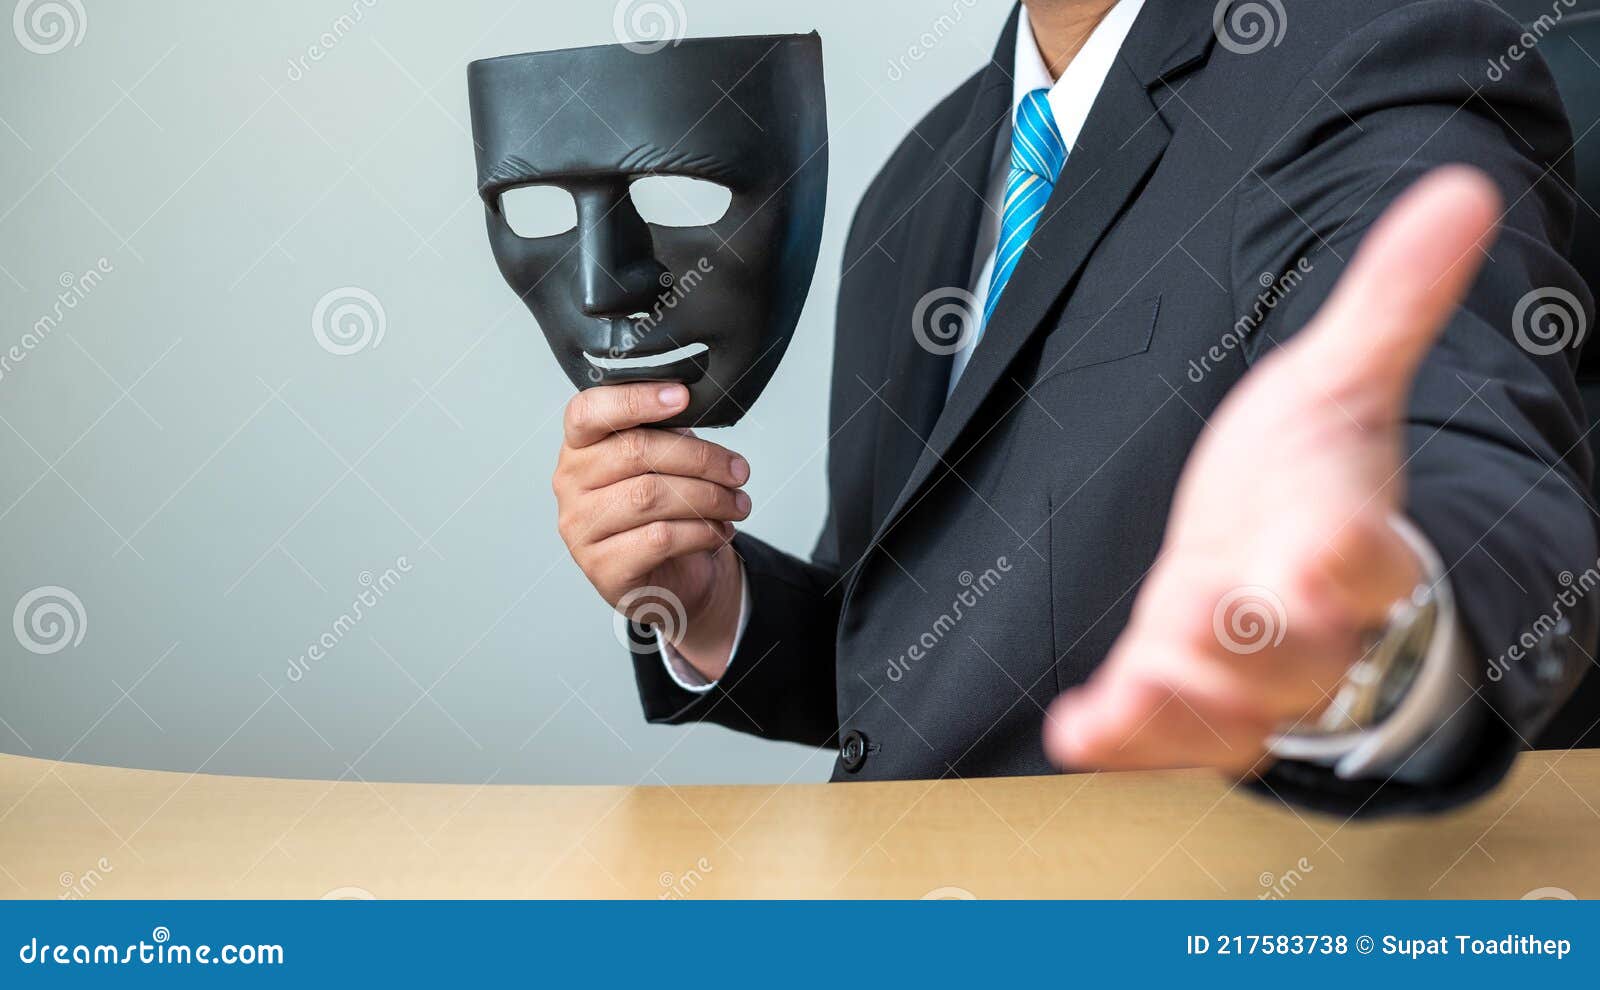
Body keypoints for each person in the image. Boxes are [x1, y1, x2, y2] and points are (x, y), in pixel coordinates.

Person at [551, 0, 1597, 814]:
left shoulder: (1372, 52)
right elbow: (911, 651)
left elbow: (1474, 465)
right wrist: (713, 602)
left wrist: (1377, 630)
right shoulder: (913, 183)